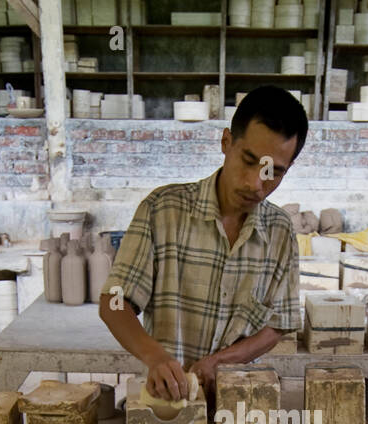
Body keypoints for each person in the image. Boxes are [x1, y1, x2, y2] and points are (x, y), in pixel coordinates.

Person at [99, 86, 306, 402]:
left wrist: (221, 363)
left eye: (273, 173)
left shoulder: (280, 232)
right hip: (167, 401)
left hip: (239, 403)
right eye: (248, 160)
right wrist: (155, 357)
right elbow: (114, 303)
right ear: (226, 142)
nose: (256, 184)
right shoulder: (162, 211)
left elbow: (278, 325)